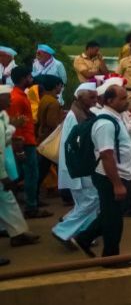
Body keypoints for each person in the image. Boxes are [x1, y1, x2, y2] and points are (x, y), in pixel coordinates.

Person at [73, 85, 131, 266]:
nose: (126, 101)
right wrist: (117, 184)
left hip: (118, 174)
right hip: (110, 177)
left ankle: (84, 238)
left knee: (111, 214)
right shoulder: (105, 123)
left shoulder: (115, 117)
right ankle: (111, 258)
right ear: (109, 101)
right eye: (122, 98)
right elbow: (107, 154)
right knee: (114, 220)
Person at [53, 83, 100, 245]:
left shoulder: (82, 112)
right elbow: (77, 144)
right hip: (79, 167)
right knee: (91, 200)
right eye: (91, 97)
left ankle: (82, 234)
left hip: (79, 166)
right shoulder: (75, 116)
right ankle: (63, 230)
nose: (95, 100)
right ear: (80, 97)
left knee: (87, 201)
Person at [0, 84, 40, 265]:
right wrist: (3, 176)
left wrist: (12, 135)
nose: (10, 100)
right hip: (0, 171)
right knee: (7, 199)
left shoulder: (3, 116)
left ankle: (17, 233)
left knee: (7, 200)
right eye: (6, 97)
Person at [8, 66, 52, 218]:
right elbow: (15, 125)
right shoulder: (16, 98)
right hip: (24, 142)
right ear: (23, 79)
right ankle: (30, 207)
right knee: (30, 175)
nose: (31, 80)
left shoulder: (19, 95)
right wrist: (19, 149)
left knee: (23, 175)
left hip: (26, 140)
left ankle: (28, 205)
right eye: (29, 77)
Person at [34, 74, 64, 203]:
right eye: (60, 86)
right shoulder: (53, 102)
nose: (61, 88)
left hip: (43, 137)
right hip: (49, 140)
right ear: (56, 86)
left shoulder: (44, 99)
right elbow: (53, 123)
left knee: (41, 170)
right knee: (42, 170)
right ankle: (35, 198)